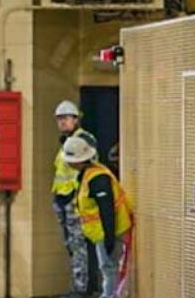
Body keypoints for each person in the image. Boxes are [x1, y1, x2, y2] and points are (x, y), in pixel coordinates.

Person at [62, 137, 132, 298]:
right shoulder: (89, 174)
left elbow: (106, 209)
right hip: (102, 231)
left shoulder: (97, 178)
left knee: (109, 269)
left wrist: (109, 237)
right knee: (108, 268)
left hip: (110, 230)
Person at [53, 100, 101, 297]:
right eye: (59, 119)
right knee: (72, 246)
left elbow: (88, 168)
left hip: (75, 200)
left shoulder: (84, 140)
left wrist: (78, 196)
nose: (62, 122)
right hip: (63, 198)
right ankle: (79, 286)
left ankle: (83, 289)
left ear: (76, 119)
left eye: (66, 118)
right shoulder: (66, 142)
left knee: (79, 246)